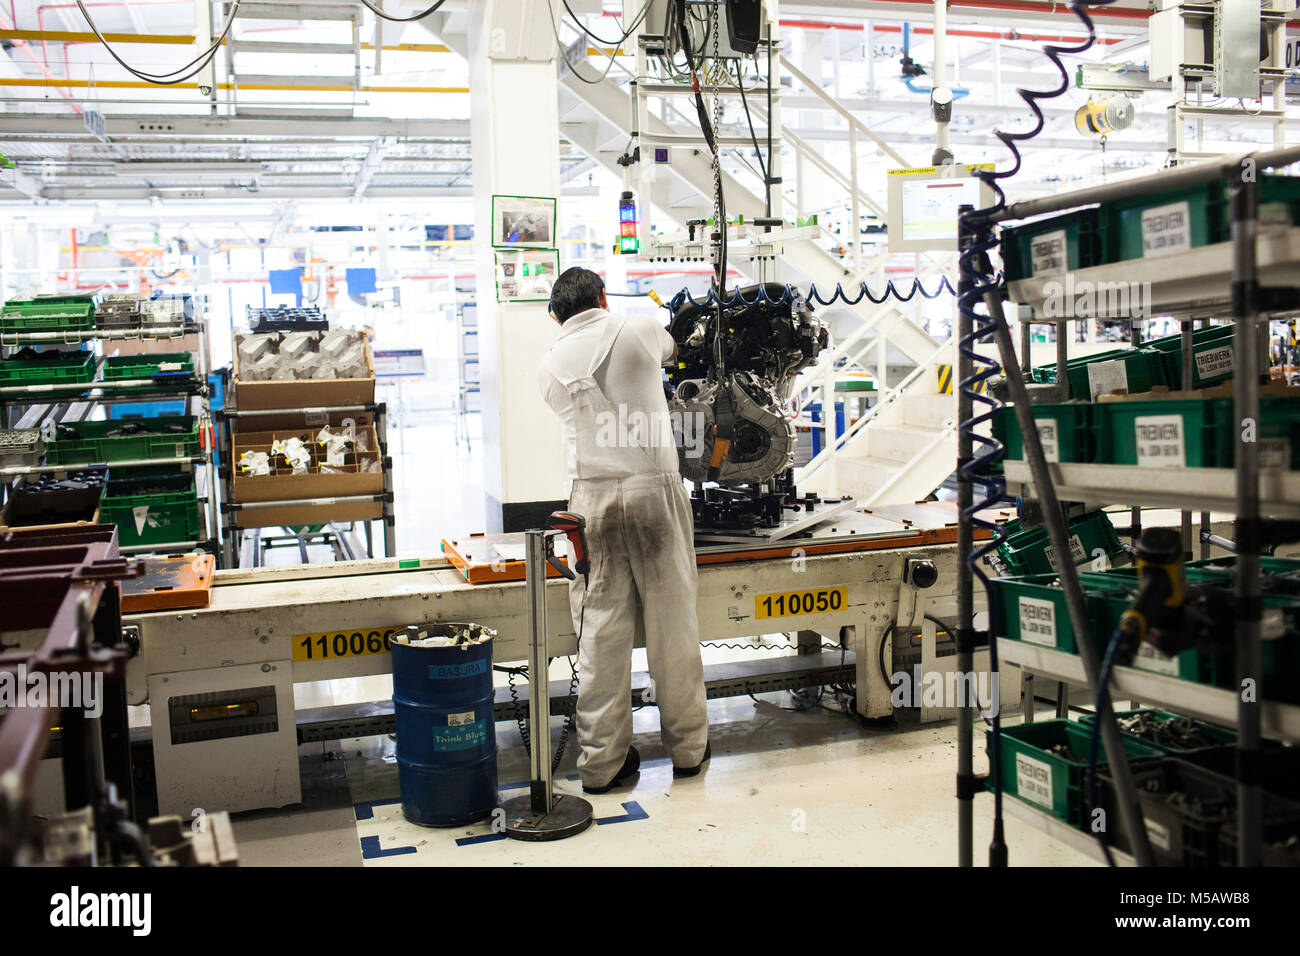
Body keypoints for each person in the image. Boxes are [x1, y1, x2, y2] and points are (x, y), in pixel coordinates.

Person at [537, 267, 710, 794]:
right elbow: (677, 348)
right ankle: (688, 751)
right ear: (602, 296)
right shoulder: (637, 328)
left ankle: (602, 764)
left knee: (601, 635)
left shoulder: (547, 368)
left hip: (591, 506)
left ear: (555, 315)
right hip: (654, 493)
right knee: (672, 627)